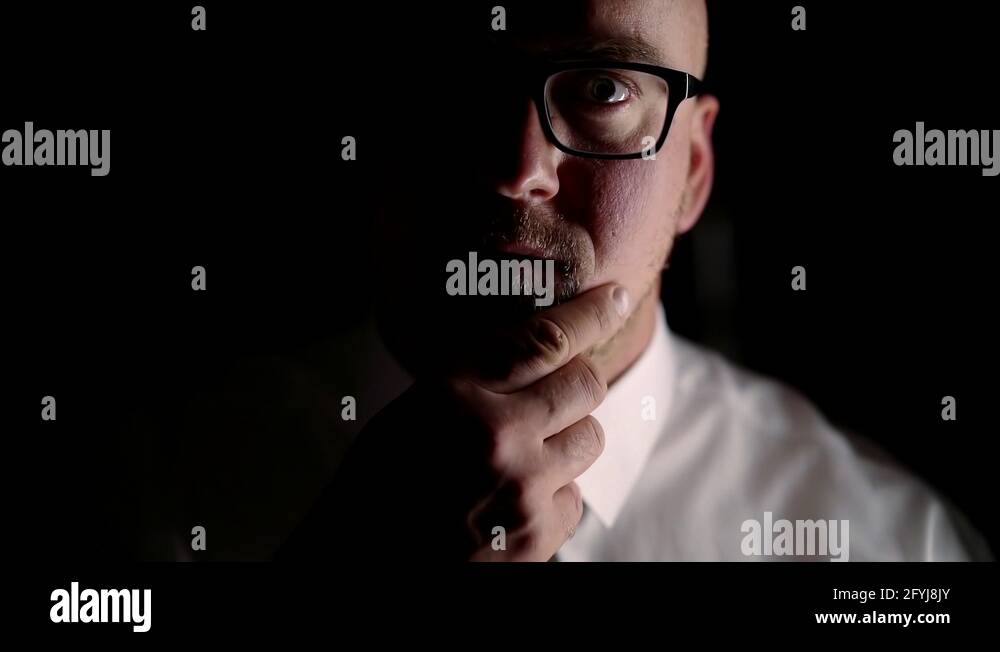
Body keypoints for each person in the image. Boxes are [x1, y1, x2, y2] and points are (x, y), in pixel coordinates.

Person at [278, 0, 989, 562]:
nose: (520, 171)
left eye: (603, 88)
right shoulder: (214, 468)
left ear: (695, 171)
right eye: (456, 78)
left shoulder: (893, 546)